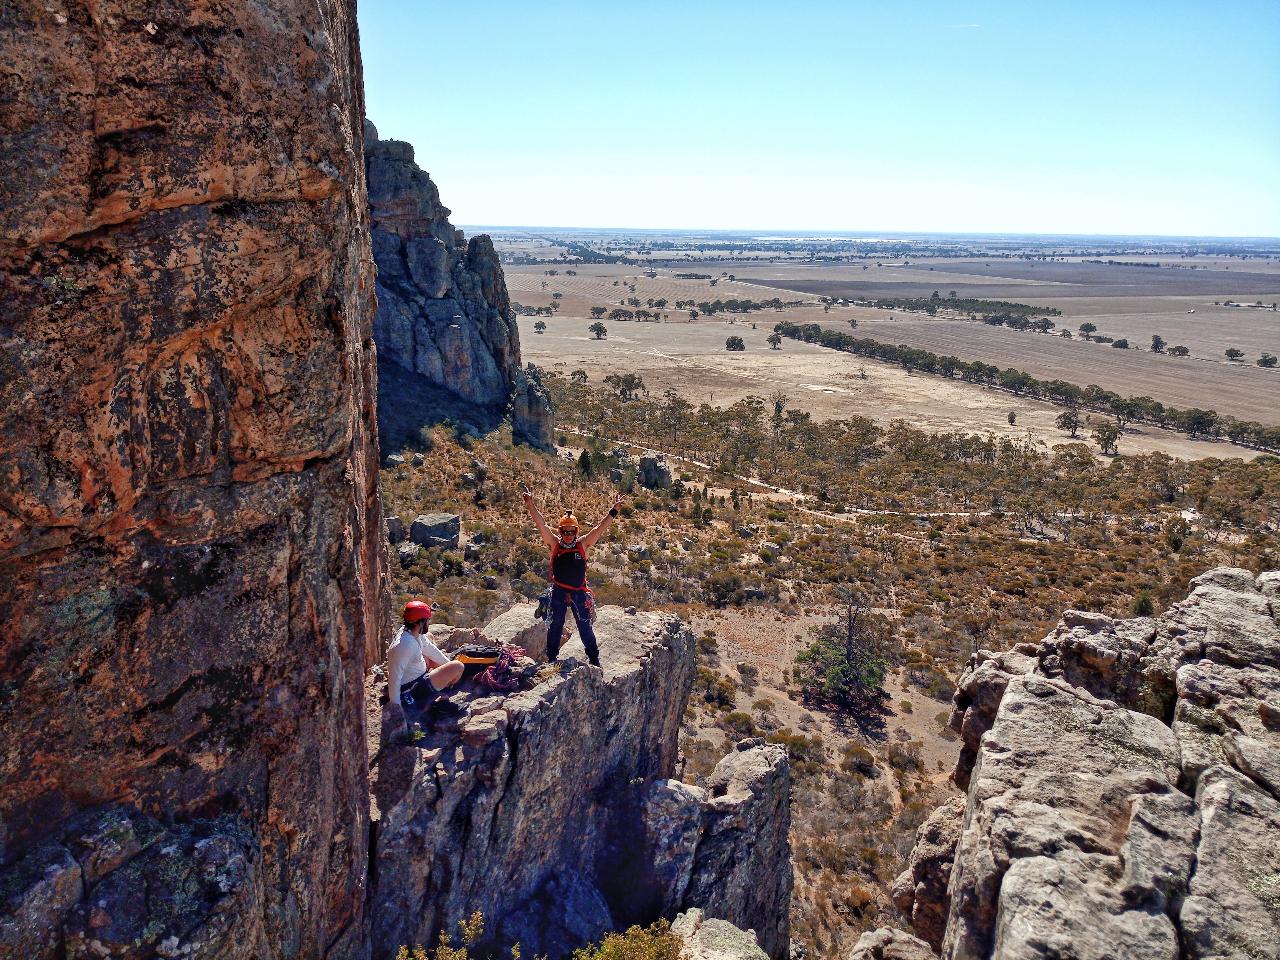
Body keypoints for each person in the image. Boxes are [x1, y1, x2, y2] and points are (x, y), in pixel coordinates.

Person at [521, 485, 624, 667]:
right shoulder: (554, 544)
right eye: (564, 531)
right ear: (560, 532)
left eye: (571, 531)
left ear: (576, 531)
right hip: (559, 591)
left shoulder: (582, 544)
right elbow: (541, 524)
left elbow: (600, 528)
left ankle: (594, 659)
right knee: (555, 627)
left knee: (585, 627)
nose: (568, 535)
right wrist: (530, 504)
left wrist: (614, 510)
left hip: (578, 592)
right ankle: (552, 660)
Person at [387, 600, 466, 734]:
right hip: (413, 689)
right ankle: (440, 690)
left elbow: (429, 647)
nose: (429, 623)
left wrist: (446, 664)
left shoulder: (410, 632)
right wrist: (397, 709)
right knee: (458, 666)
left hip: (417, 674)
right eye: (427, 620)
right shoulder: (405, 645)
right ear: (420, 622)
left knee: (429, 637)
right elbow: (394, 678)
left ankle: (441, 681)